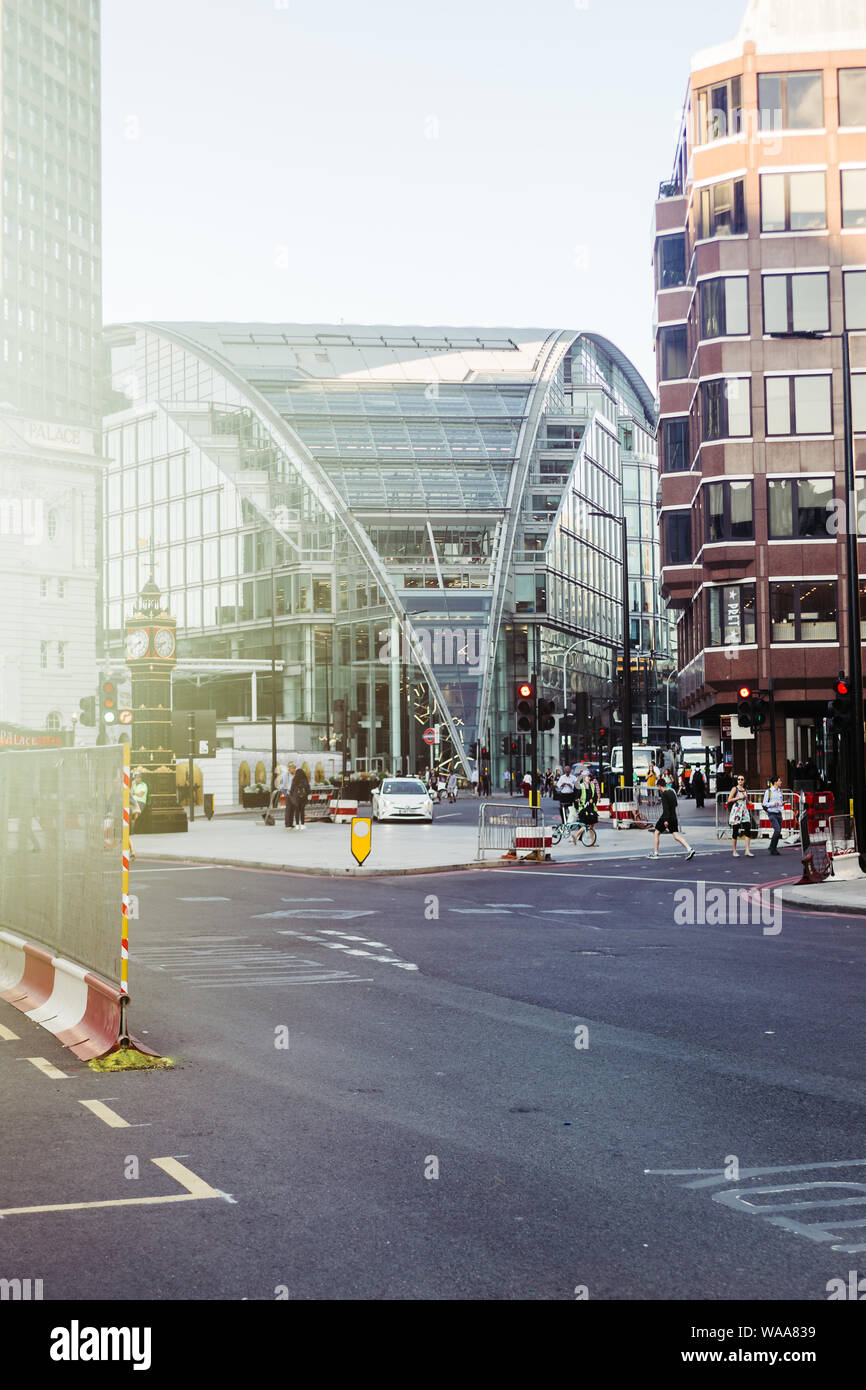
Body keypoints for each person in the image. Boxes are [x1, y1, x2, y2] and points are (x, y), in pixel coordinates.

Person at [648, 775, 695, 860]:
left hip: (666, 817)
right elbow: (675, 804)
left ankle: (655, 853)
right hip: (673, 816)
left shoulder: (664, 794)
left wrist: (665, 820)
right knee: (676, 835)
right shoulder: (672, 792)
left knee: (656, 832)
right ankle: (689, 849)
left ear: (659, 786)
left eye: (658, 786)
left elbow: (665, 808)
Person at [726, 774, 754, 857]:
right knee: (735, 830)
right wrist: (738, 798)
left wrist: (749, 802)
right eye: (739, 779)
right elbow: (729, 799)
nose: (740, 781)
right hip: (737, 810)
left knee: (748, 829)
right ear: (737, 781)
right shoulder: (735, 789)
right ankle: (734, 851)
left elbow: (746, 798)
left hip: (744, 811)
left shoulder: (745, 789)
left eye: (742, 779)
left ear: (744, 780)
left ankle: (747, 850)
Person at [281, 761, 310, 830]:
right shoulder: (286, 775)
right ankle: (287, 824)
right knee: (288, 809)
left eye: (294, 768)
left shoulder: (296, 775)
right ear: (289, 769)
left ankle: (291, 823)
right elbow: (282, 785)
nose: (293, 769)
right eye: (292, 768)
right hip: (288, 794)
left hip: (294, 794)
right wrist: (285, 793)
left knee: (294, 809)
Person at [763, 776, 784, 855]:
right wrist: (773, 804)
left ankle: (773, 847)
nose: (781, 782)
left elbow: (780, 802)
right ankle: (772, 847)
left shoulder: (780, 791)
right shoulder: (768, 791)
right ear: (775, 782)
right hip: (772, 813)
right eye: (779, 781)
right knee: (777, 830)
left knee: (778, 832)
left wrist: (782, 803)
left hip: (779, 813)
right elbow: (764, 803)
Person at [575, 772, 599, 840]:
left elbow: (595, 796)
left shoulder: (592, 785)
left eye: (589, 777)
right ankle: (576, 836)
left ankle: (592, 841)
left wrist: (593, 800)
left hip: (591, 807)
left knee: (592, 825)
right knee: (587, 825)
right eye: (587, 777)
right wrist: (578, 800)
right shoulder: (580, 786)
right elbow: (576, 797)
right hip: (584, 808)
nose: (589, 778)